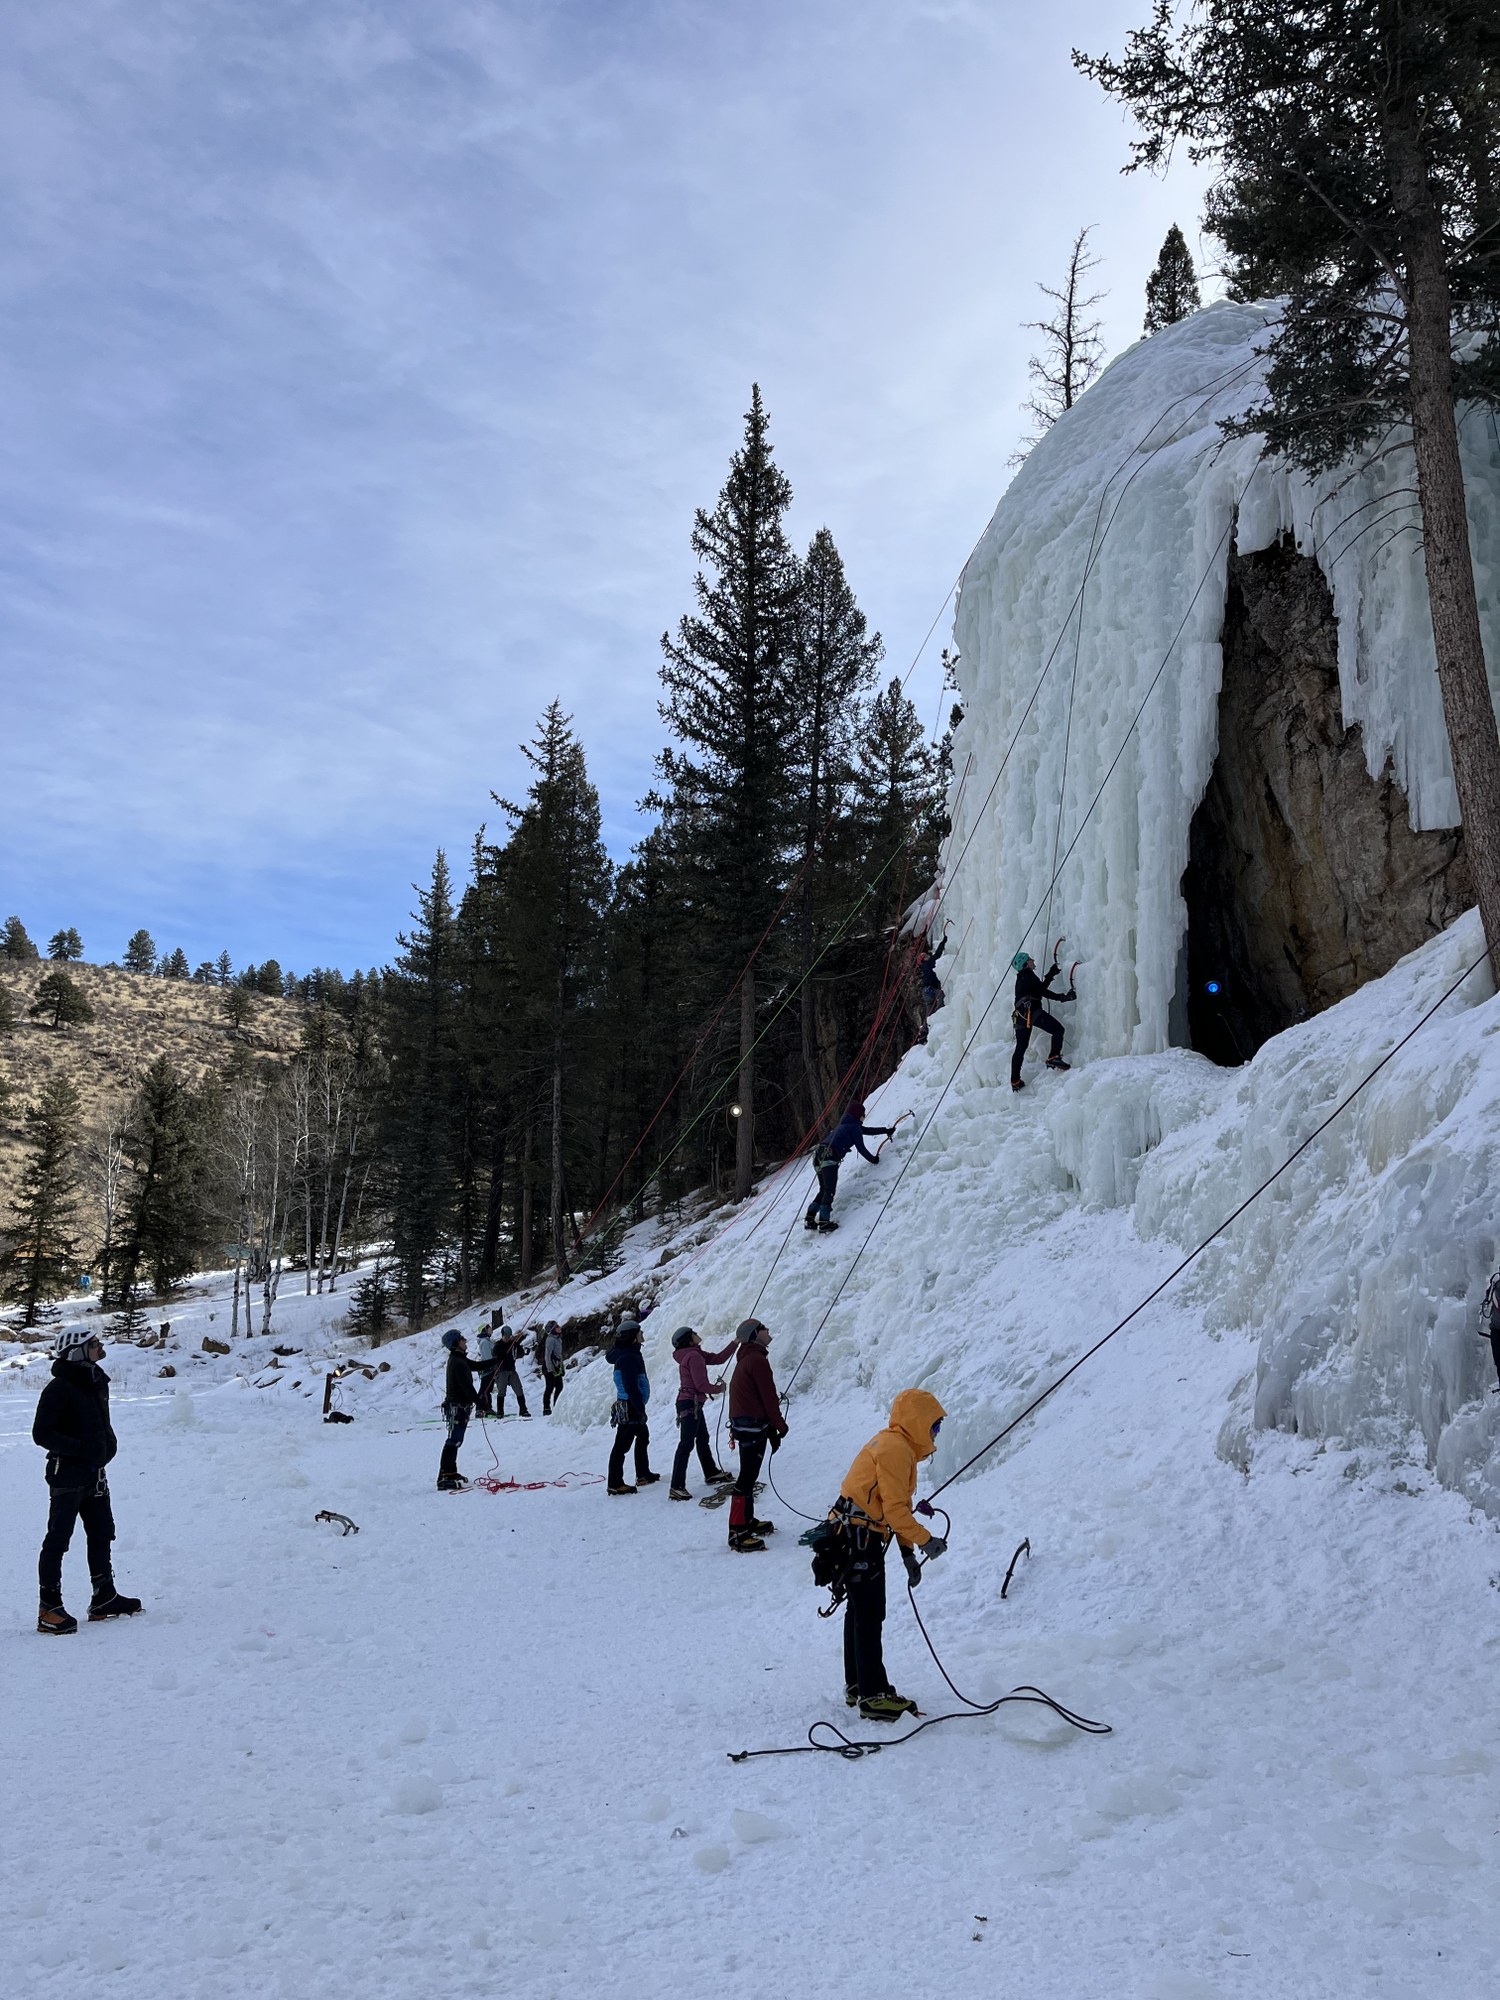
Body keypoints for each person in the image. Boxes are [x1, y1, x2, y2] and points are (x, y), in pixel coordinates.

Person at [835, 1388, 947, 1721]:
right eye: (934, 1426)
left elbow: (891, 1507)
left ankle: (858, 1685)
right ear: (918, 1422)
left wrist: (907, 1554)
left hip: (849, 1532)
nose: (936, 1434)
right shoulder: (896, 1450)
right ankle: (873, 1695)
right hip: (859, 1536)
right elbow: (897, 1512)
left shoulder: (891, 1444)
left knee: (858, 1610)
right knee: (869, 1613)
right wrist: (927, 1541)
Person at [33, 1328, 142, 1634]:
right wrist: (81, 1450)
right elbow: (42, 1433)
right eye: (94, 1344)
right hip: (66, 1474)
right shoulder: (59, 1388)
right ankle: (48, 1608)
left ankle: (103, 1596)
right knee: (58, 1539)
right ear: (78, 1350)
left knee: (102, 1532)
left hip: (94, 1474)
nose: (100, 1347)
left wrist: (106, 1447)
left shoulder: (94, 1381)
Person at [725, 1318, 787, 1551]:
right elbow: (768, 1397)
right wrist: (779, 1425)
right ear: (754, 1335)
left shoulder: (748, 1358)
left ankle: (746, 1521)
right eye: (763, 1328)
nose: (767, 1330)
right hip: (751, 1425)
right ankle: (737, 1532)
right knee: (746, 1479)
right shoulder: (756, 1360)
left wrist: (770, 1425)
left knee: (748, 1475)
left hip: (745, 1424)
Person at [804, 1099, 896, 1233]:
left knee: (824, 1189)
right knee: (829, 1189)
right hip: (829, 1157)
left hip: (818, 1156)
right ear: (858, 1115)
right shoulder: (853, 1127)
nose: (864, 1117)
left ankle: (810, 1219)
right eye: (863, 1115)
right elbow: (861, 1148)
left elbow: (867, 1130)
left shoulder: (846, 1125)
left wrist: (885, 1130)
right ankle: (824, 1222)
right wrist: (874, 1160)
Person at [667, 1328, 736, 1499]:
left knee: (701, 1438)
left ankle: (711, 1472)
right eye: (693, 1333)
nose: (697, 1333)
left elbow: (718, 1358)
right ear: (690, 1340)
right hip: (691, 1403)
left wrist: (736, 1342)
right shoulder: (694, 1356)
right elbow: (701, 1385)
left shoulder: (692, 1354)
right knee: (687, 1444)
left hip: (689, 1403)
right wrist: (719, 1389)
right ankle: (676, 1486)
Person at [605, 1320, 659, 1494]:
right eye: (639, 1332)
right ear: (631, 1337)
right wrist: (640, 1409)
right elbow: (630, 1386)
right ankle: (615, 1483)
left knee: (643, 1436)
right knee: (622, 1444)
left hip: (631, 1404)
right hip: (630, 1405)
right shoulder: (628, 1357)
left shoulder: (629, 1352)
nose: (642, 1334)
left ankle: (643, 1474)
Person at [1010, 951, 1075, 1091]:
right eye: (1030, 959)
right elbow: (1043, 992)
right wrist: (1064, 998)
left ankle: (1015, 1080)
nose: (1033, 960)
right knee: (1058, 1030)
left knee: (1021, 1047)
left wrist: (1050, 975)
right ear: (1026, 963)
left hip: (1020, 1016)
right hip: (1032, 1012)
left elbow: (1038, 989)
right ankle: (1053, 1057)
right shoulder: (1028, 975)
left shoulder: (1022, 977)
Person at [437, 1328, 482, 1491]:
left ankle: (451, 1472)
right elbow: (467, 1388)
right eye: (462, 1338)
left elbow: (476, 1365)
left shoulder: (459, 1358)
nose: (465, 1341)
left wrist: (498, 1360)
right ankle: (443, 1477)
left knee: (456, 1440)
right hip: (456, 1407)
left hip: (461, 1406)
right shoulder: (456, 1362)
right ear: (456, 1342)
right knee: (453, 1440)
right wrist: (482, 1403)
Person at [491, 1323, 531, 1418]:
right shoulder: (498, 1345)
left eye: (509, 1336)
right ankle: (500, 1411)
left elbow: (520, 1352)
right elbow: (494, 1357)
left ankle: (523, 1409)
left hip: (512, 1370)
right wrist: (501, 1357)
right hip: (502, 1371)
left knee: (519, 1389)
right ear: (502, 1336)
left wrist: (522, 1351)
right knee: (502, 1391)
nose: (507, 1338)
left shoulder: (513, 1344)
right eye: (505, 1336)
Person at [541, 1321, 566, 1414]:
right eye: (557, 1327)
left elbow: (559, 1355)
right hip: (550, 1367)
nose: (559, 1327)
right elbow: (547, 1355)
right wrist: (550, 1369)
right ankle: (546, 1408)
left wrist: (562, 1367)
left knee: (559, 1386)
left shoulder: (558, 1339)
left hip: (556, 1366)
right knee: (550, 1387)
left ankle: (556, 1406)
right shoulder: (550, 1340)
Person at [473, 1318, 497, 1416]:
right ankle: (484, 1408)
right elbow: (488, 1358)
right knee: (485, 1389)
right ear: (485, 1330)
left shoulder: (486, 1341)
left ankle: (484, 1408)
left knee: (486, 1389)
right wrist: (494, 1367)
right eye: (489, 1327)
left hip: (487, 1369)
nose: (491, 1329)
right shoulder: (485, 1342)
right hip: (488, 1369)